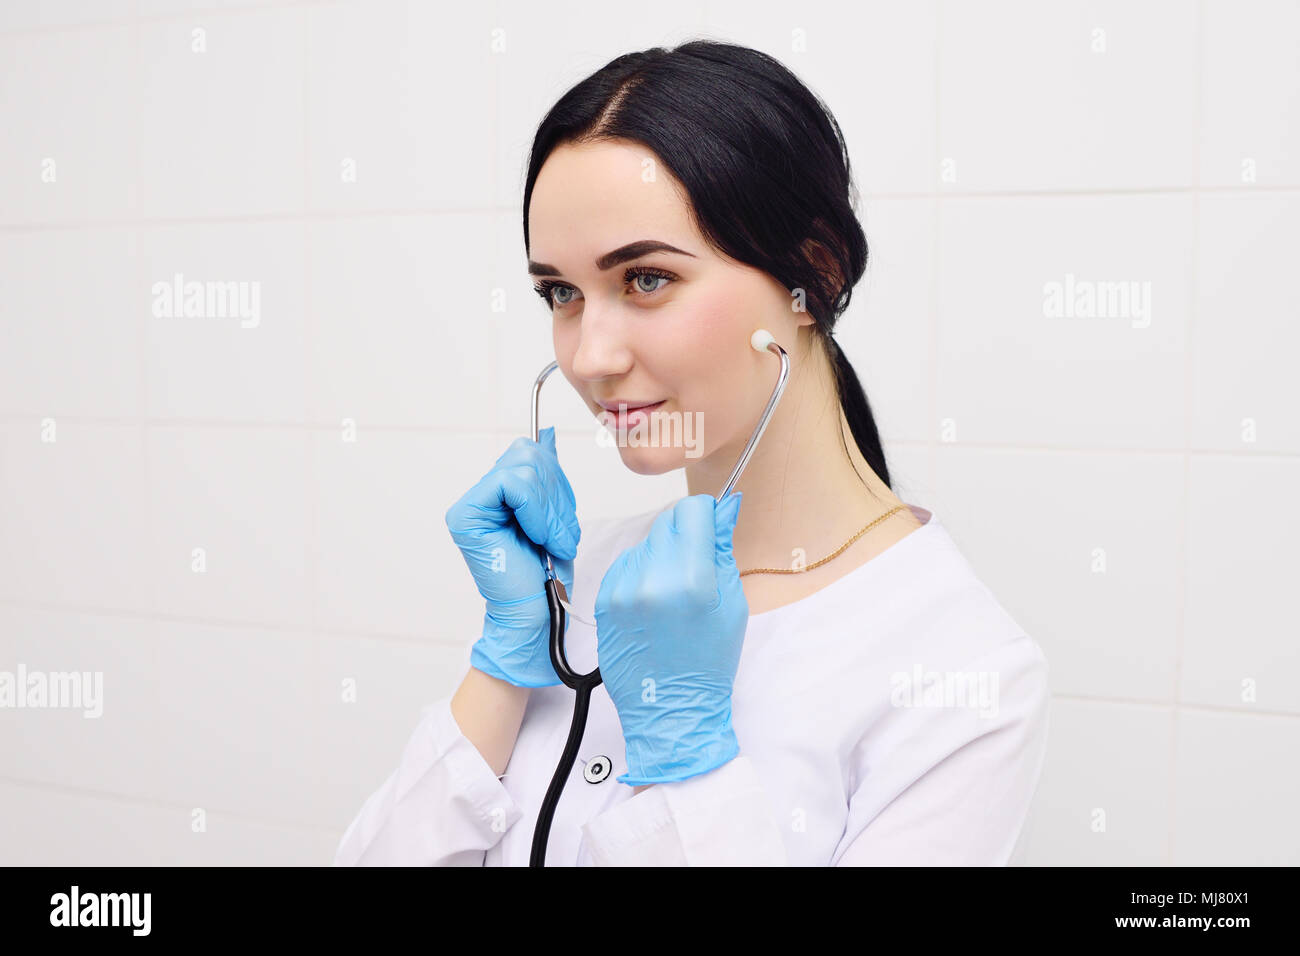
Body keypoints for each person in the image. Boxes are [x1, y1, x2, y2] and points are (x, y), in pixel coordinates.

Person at [333, 39, 1050, 866]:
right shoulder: (571, 582)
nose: (590, 357)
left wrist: (688, 760)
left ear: (812, 272)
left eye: (644, 279)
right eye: (560, 293)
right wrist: (501, 668)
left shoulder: (962, 672)